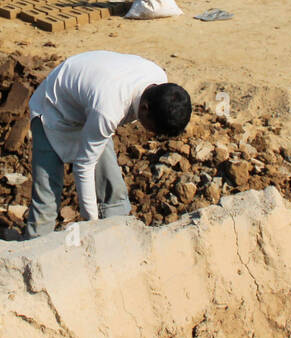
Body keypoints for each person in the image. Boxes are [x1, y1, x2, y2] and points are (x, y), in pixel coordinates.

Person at [24, 51, 191, 239]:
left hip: (89, 104)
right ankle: (35, 247)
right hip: (53, 109)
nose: (151, 133)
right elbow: (83, 166)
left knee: (112, 187)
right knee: (47, 194)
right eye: (153, 128)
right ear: (145, 108)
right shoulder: (108, 109)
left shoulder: (158, 78)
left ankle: (118, 233)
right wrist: (91, 223)